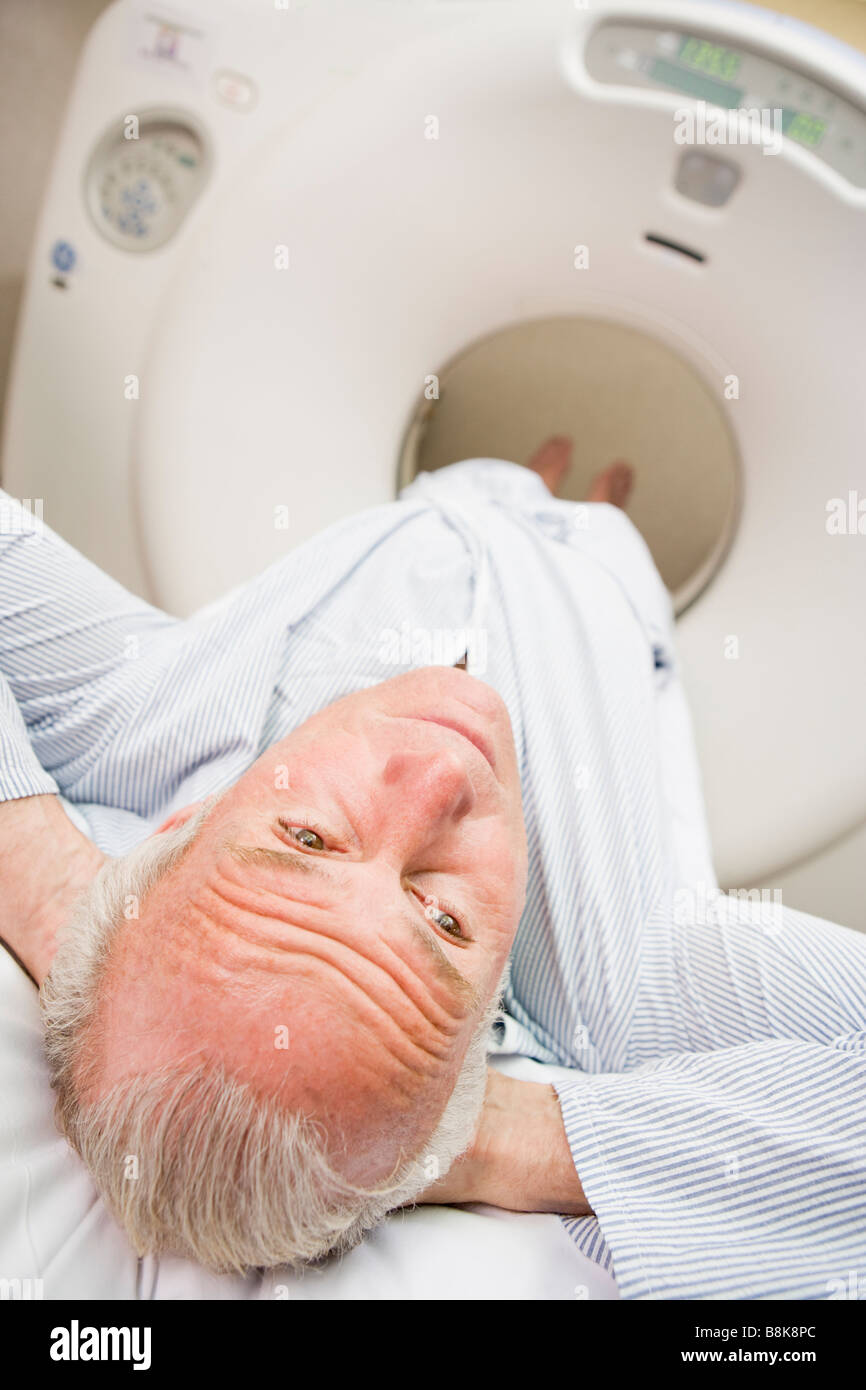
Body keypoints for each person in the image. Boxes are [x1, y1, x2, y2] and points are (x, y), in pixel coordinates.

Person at [1, 440, 864, 1298]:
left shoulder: (139, 728)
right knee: (607, 506)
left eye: (307, 838)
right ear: (480, 1033)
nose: (445, 775)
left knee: (514, 462)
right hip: (606, 580)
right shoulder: (620, 986)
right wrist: (510, 1138)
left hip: (443, 497)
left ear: (186, 827)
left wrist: (39, 878)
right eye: (445, 920)